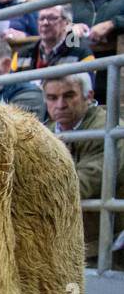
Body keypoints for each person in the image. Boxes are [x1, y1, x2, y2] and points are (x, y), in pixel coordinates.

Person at [43, 73, 123, 265]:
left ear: (88, 96)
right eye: (52, 98)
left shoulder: (110, 130)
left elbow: (80, 186)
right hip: (63, 243)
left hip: (103, 245)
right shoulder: (44, 131)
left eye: (69, 96)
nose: (60, 105)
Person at [16, 5, 94, 71]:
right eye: (41, 18)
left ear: (67, 23)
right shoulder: (21, 55)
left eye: (52, 18)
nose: (45, 23)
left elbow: (85, 86)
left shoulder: (82, 53)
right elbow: (11, 87)